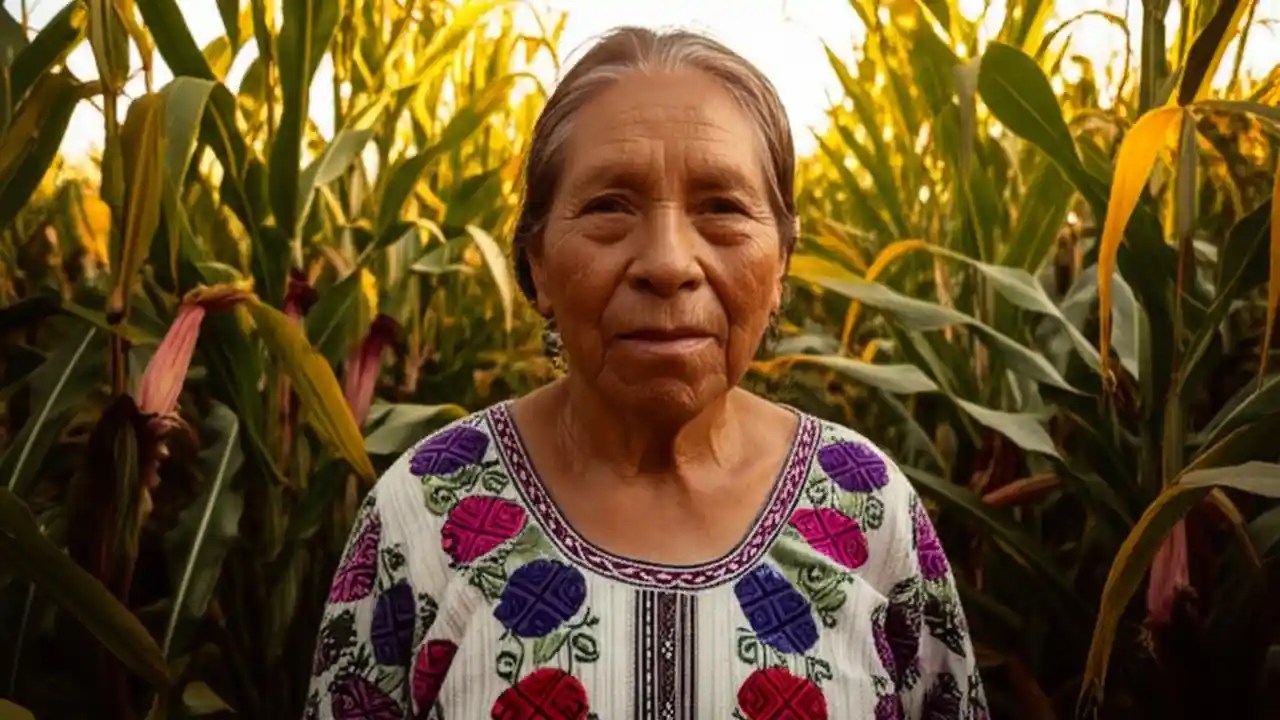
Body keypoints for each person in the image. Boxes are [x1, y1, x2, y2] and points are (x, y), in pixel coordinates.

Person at [306, 25, 986, 720]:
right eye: (608, 207)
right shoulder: (426, 512)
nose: (667, 263)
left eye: (722, 208)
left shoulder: (865, 508)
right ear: (536, 261)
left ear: (780, 262)